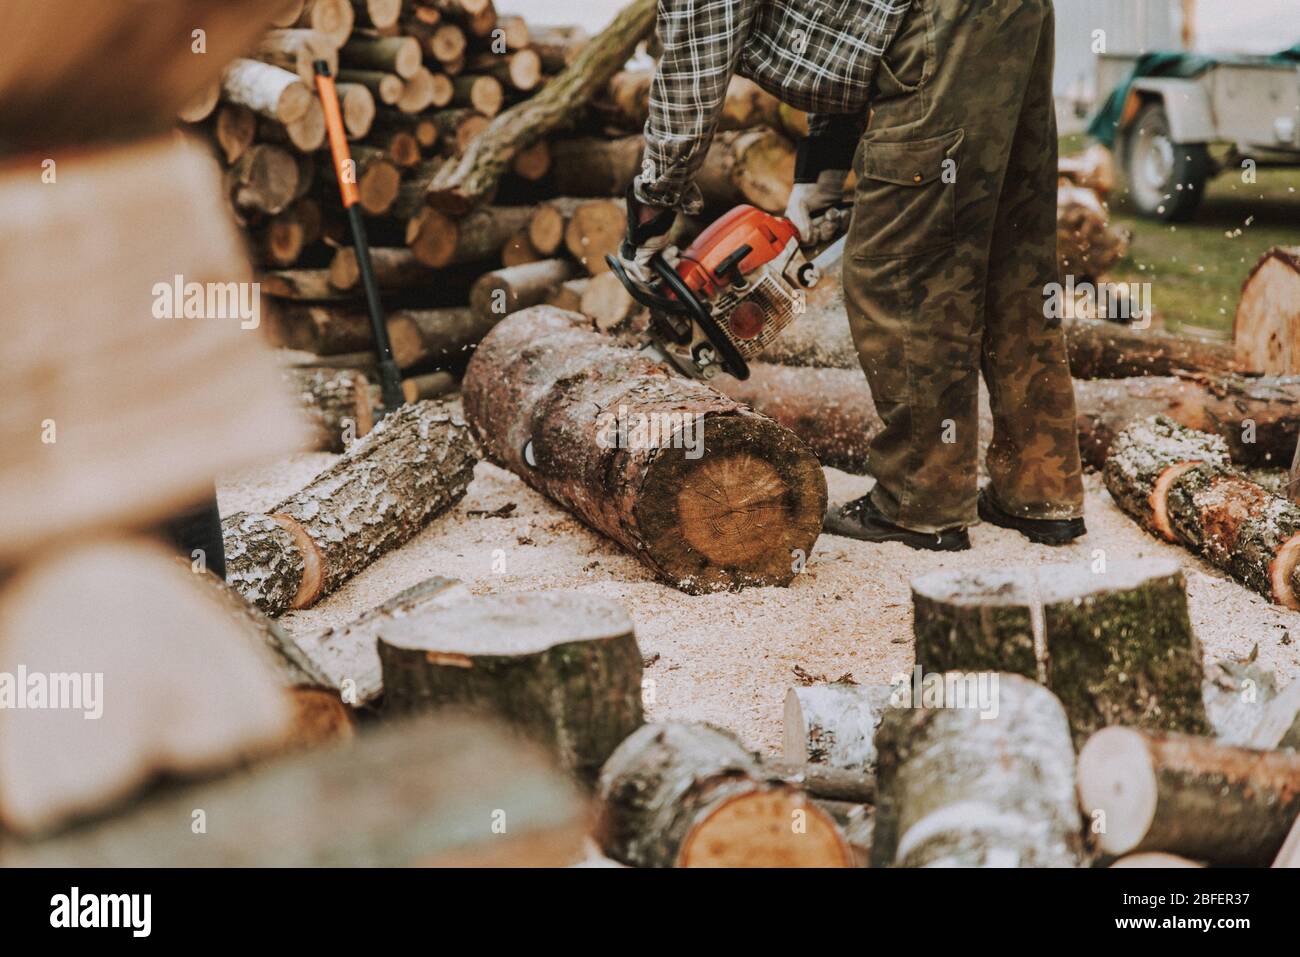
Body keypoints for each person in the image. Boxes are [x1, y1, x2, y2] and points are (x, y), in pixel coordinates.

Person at [618, 0, 1087, 551]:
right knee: (1013, 260)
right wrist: (818, 179)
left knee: (898, 277)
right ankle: (1040, 490)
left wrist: (652, 206)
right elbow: (849, 43)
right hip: (1010, 17)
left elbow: (691, 80)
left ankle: (920, 503)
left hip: (942, 26)